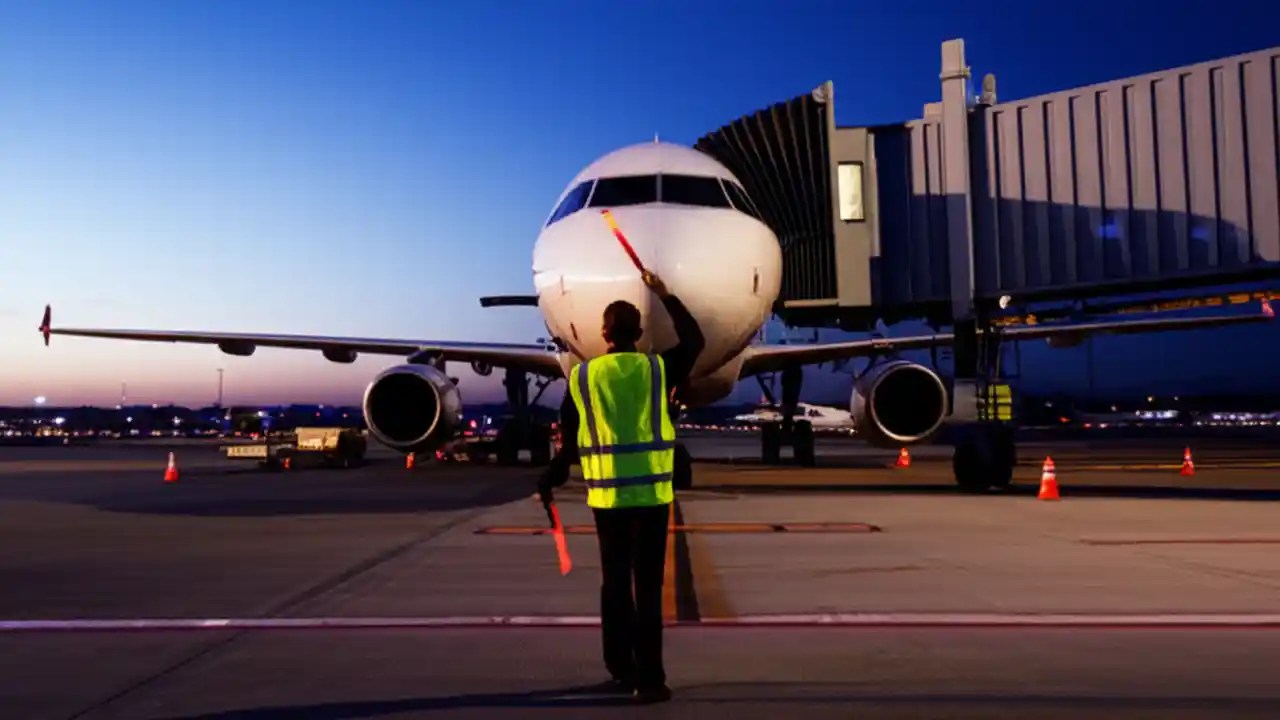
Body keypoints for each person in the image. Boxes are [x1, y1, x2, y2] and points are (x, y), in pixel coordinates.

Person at [538, 269, 704, 704]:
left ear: (604, 333)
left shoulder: (582, 378)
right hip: (651, 497)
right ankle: (649, 681)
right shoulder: (657, 368)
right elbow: (694, 340)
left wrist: (553, 474)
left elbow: (567, 443)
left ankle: (618, 668)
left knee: (614, 585)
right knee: (647, 589)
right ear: (641, 332)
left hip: (606, 499)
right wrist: (666, 294)